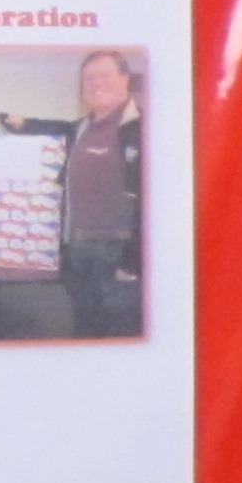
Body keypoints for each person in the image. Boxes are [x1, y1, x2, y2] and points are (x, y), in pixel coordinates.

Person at [53, 49, 144, 337]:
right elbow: (52, 128)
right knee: (84, 325)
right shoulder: (81, 129)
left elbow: (152, 201)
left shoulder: (141, 129)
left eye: (104, 75)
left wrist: (133, 258)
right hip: (77, 249)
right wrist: (21, 123)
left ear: (124, 79)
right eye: (89, 78)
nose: (96, 83)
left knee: (117, 331)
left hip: (116, 251)